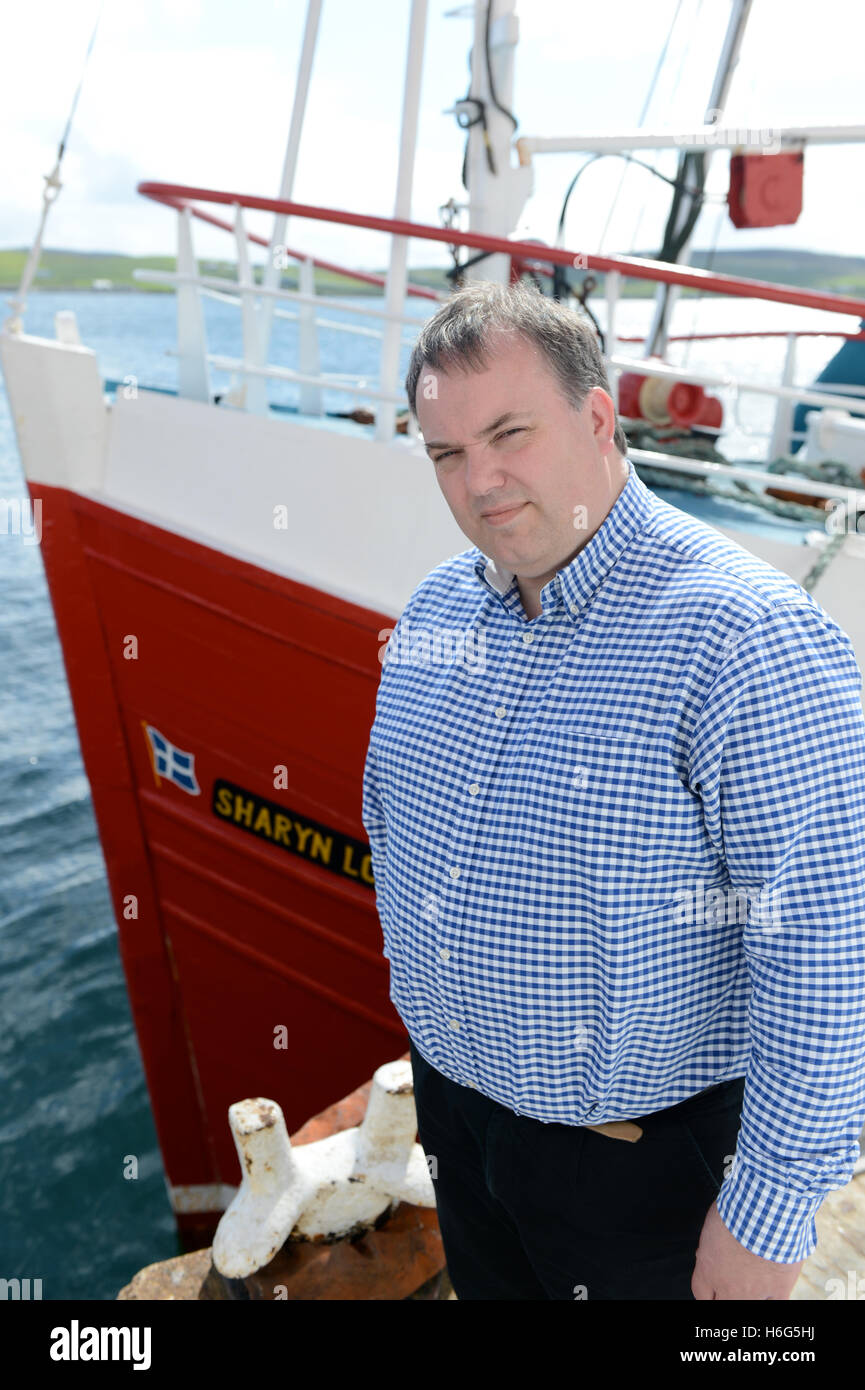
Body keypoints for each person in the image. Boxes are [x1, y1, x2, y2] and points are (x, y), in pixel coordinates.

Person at [361, 279, 865, 1300]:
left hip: (641, 1176)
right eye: (447, 453)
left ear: (597, 418)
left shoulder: (743, 640)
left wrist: (764, 1216)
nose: (481, 480)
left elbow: (829, 952)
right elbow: (391, 824)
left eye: (510, 433)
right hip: (460, 1124)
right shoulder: (434, 607)